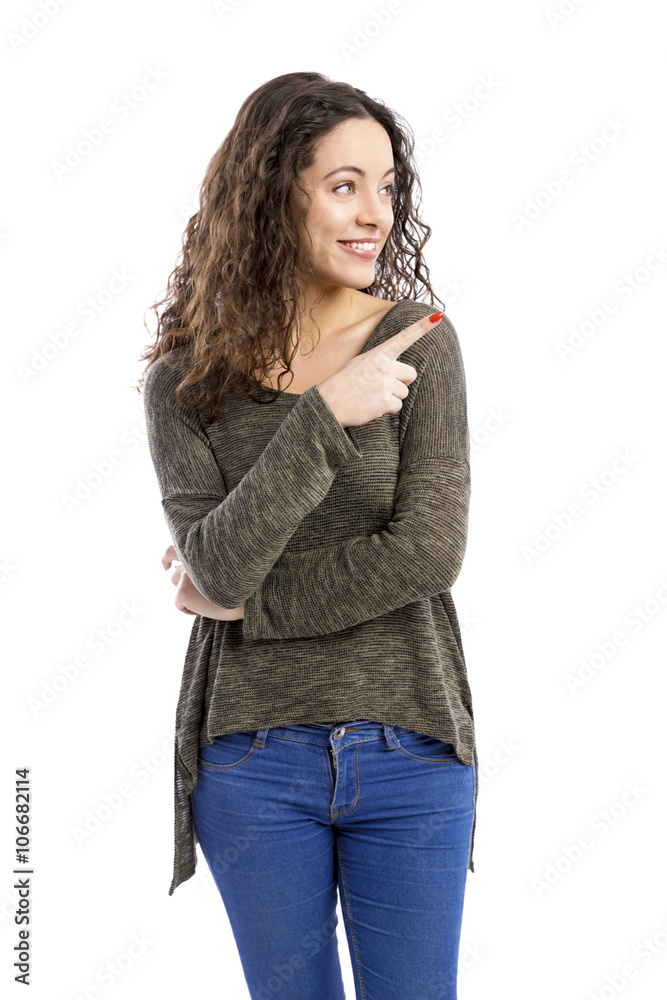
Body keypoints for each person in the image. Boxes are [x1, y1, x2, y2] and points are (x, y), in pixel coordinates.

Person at [138, 70, 478, 1000]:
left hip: (408, 744)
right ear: (267, 192)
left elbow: (427, 552)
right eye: (343, 185)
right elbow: (214, 558)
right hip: (250, 756)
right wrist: (323, 416)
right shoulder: (182, 384)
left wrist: (242, 600)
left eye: (385, 187)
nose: (374, 212)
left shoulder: (417, 342)